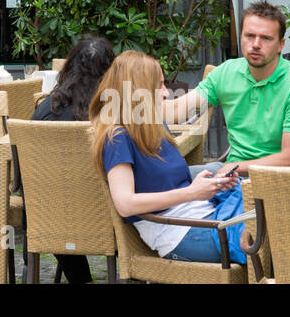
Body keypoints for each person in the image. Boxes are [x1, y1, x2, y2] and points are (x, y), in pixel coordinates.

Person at [92, 51, 242, 262]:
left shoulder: (151, 122)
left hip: (197, 214)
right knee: (262, 233)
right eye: (159, 85)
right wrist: (192, 193)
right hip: (175, 233)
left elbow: (166, 178)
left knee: (266, 215)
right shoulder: (117, 138)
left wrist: (215, 182)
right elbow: (125, 204)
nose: (165, 93)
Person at [163, 0, 290, 173]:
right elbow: (177, 110)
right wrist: (132, 110)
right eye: (249, 36)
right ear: (240, 37)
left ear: (281, 45)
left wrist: (233, 168)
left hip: (280, 180)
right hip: (232, 174)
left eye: (266, 38)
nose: (256, 44)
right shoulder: (227, 72)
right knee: (164, 178)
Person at [30, 34, 115, 282]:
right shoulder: (114, 113)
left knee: (52, 204)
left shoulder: (45, 111)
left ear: (68, 68)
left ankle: (81, 279)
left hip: (52, 216)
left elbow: (24, 176)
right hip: (107, 214)